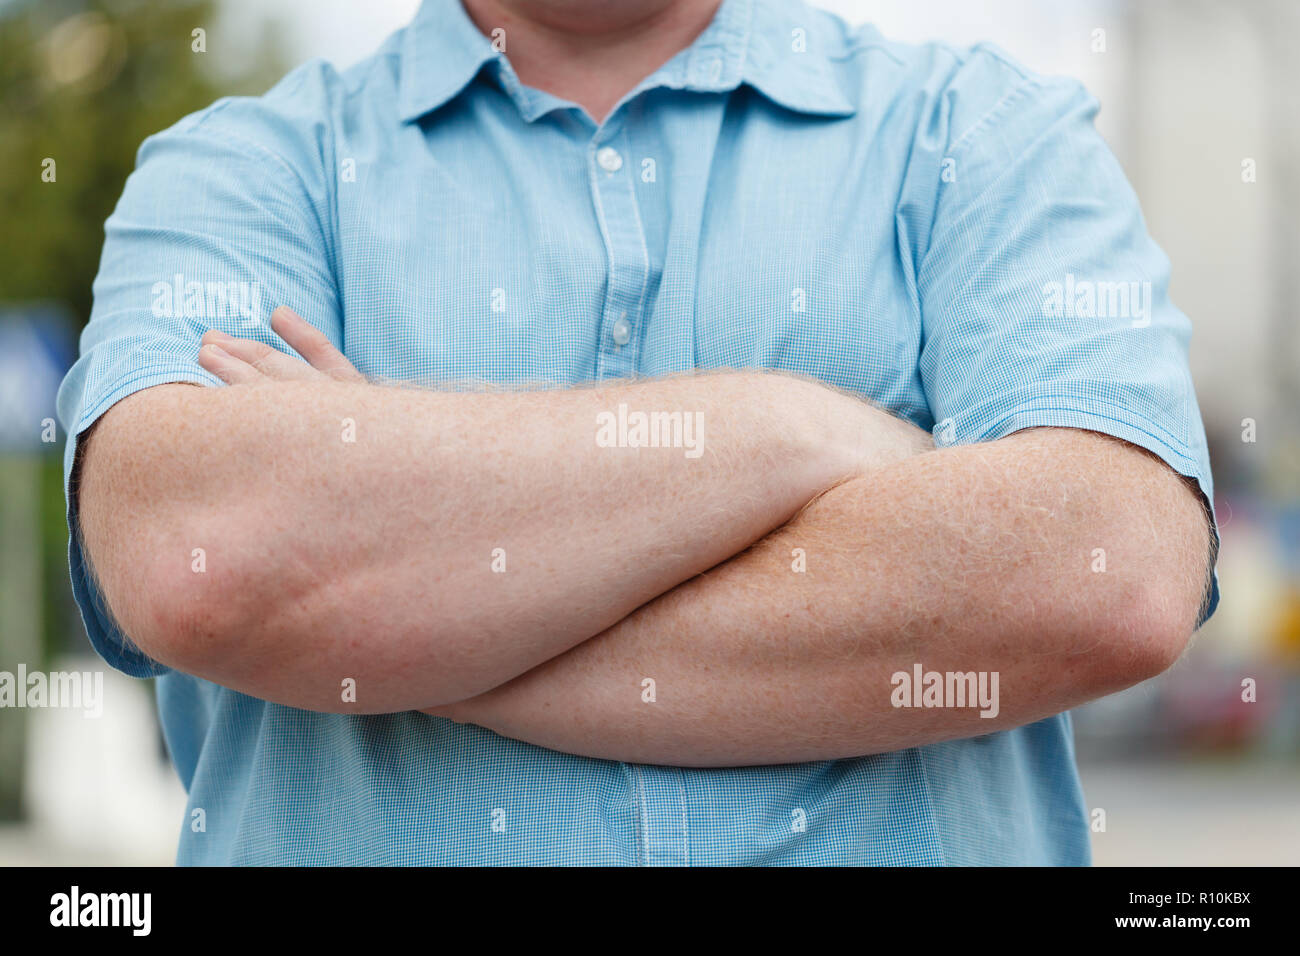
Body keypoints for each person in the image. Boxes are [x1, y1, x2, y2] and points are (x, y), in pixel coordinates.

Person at [58, 0, 1219, 864]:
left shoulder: (988, 134)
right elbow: (196, 560)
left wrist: (402, 627)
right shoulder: (235, 174)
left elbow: (1107, 570)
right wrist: (794, 430)